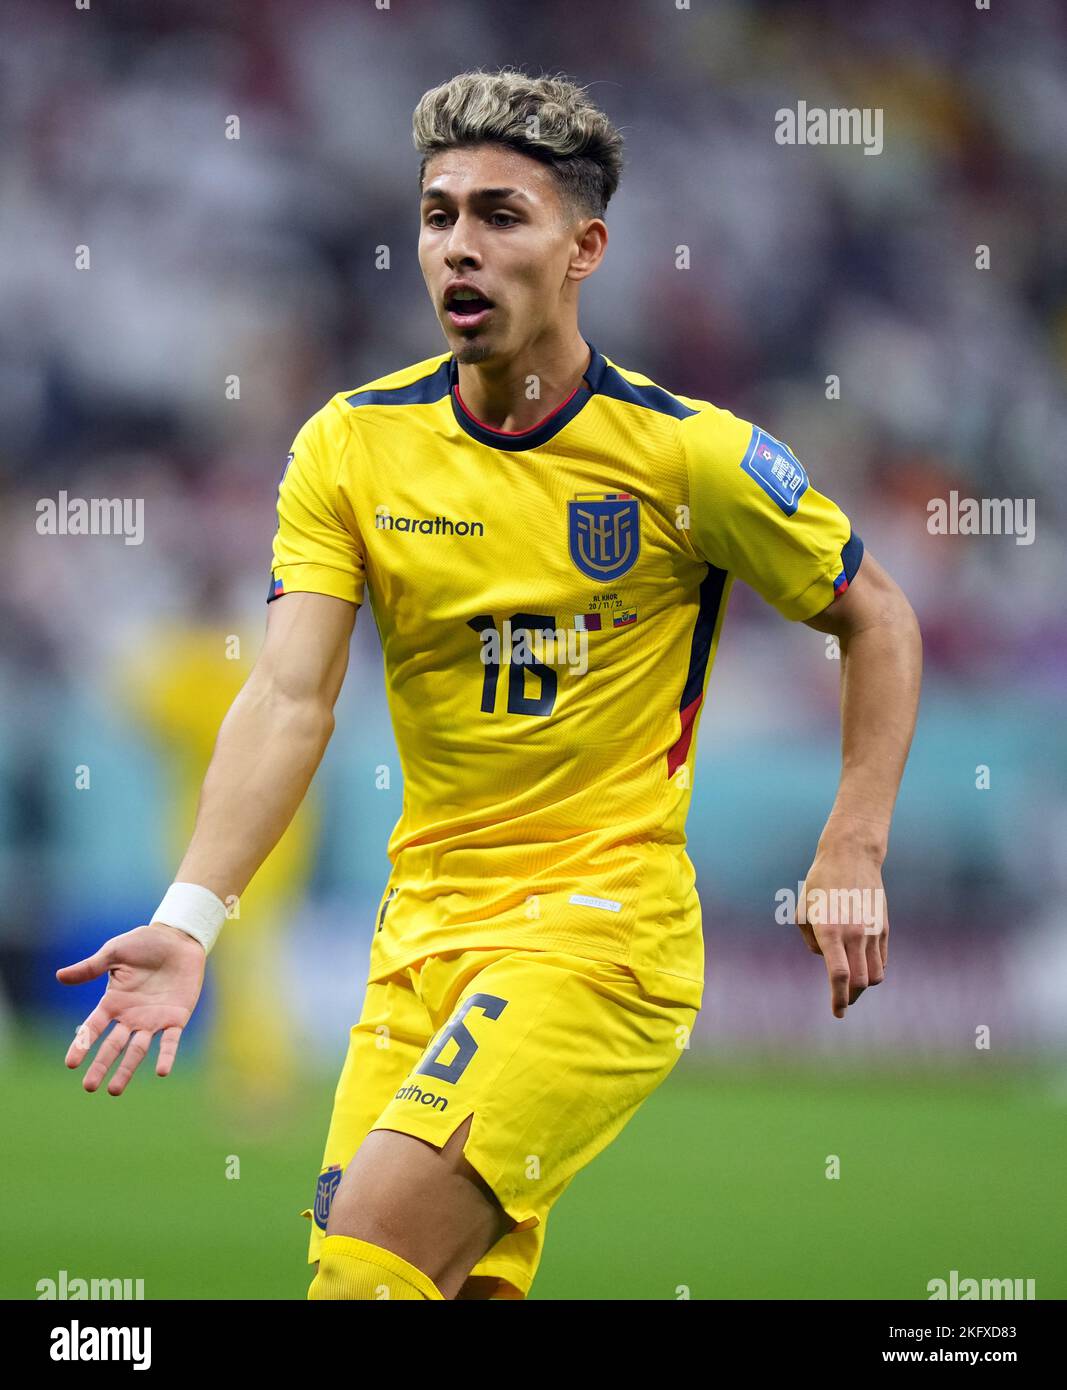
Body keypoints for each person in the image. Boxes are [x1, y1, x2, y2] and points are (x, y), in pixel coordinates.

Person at [58, 67, 922, 1301]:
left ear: (584, 248)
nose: (457, 246)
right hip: (417, 943)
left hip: (597, 935)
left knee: (367, 1266)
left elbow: (875, 614)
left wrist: (852, 841)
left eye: (499, 216)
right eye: (437, 213)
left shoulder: (689, 455)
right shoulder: (350, 446)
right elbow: (290, 696)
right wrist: (193, 917)